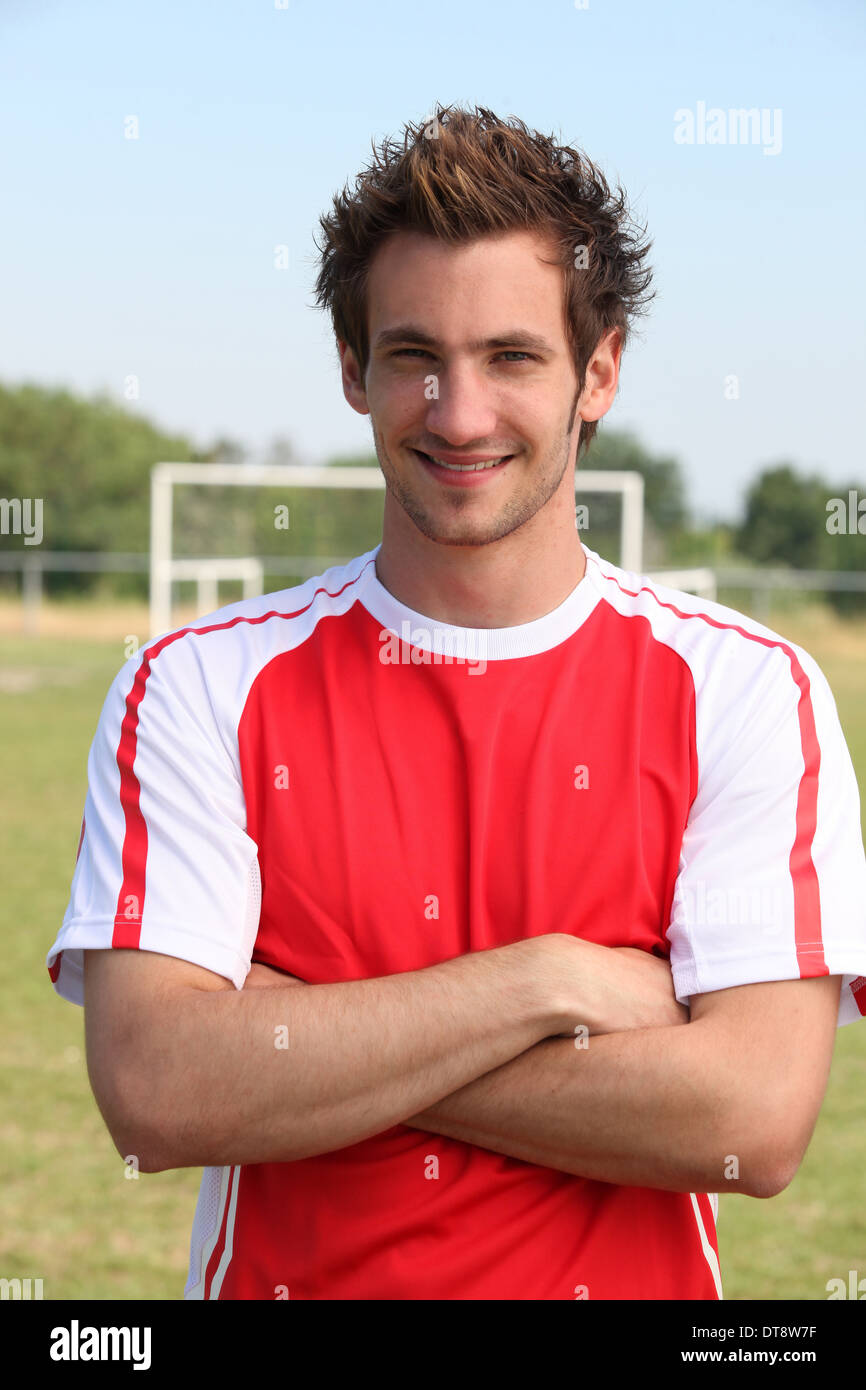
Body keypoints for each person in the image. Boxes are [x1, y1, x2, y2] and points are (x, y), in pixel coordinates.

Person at [46, 104, 866, 1301]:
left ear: (599, 371)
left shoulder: (744, 690)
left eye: (512, 357)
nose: (458, 411)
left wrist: (306, 1039)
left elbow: (751, 1117)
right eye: (413, 355)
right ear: (350, 369)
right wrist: (542, 985)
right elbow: (158, 1094)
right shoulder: (195, 686)